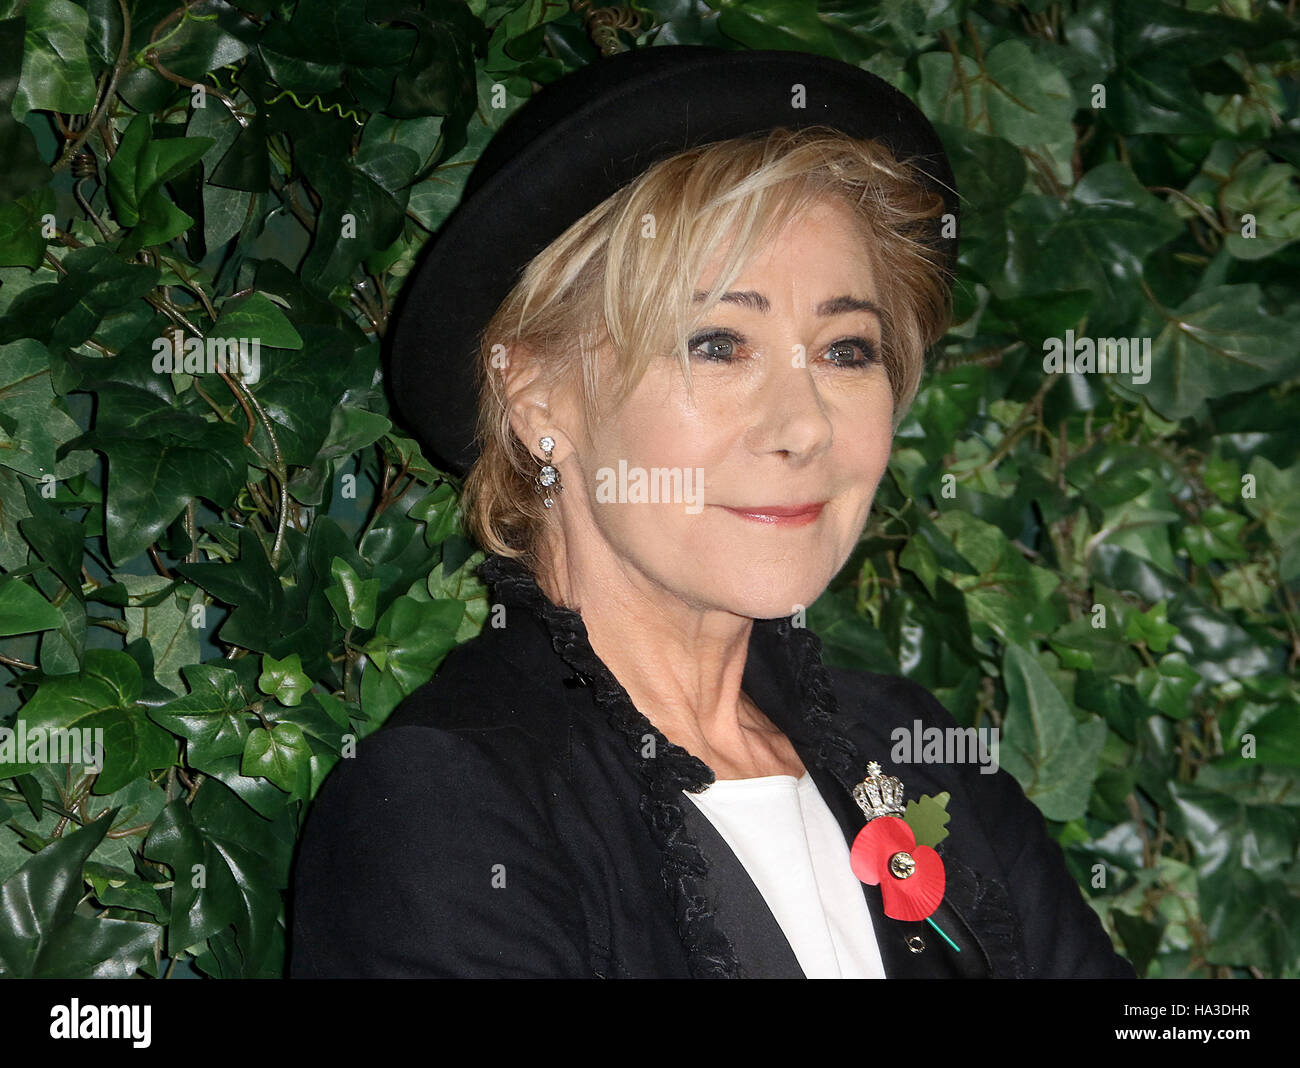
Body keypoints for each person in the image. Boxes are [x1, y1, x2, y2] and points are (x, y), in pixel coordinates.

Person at [289, 45, 1136, 979]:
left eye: (846, 350)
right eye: (721, 343)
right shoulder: (449, 806)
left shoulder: (908, 748)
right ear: (535, 396)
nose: (802, 426)